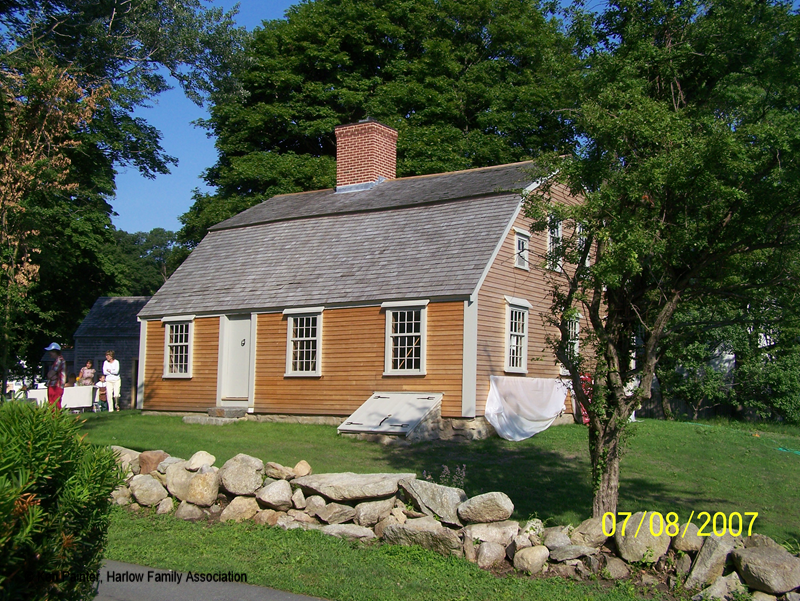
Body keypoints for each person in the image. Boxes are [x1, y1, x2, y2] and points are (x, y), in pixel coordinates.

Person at [44, 342, 66, 409]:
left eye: (51, 351)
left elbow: (50, 374)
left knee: (55, 404)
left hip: (56, 385)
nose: (50, 353)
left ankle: (56, 418)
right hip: (54, 385)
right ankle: (54, 418)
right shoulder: (58, 360)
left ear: (55, 352)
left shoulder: (59, 361)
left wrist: (49, 375)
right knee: (52, 403)